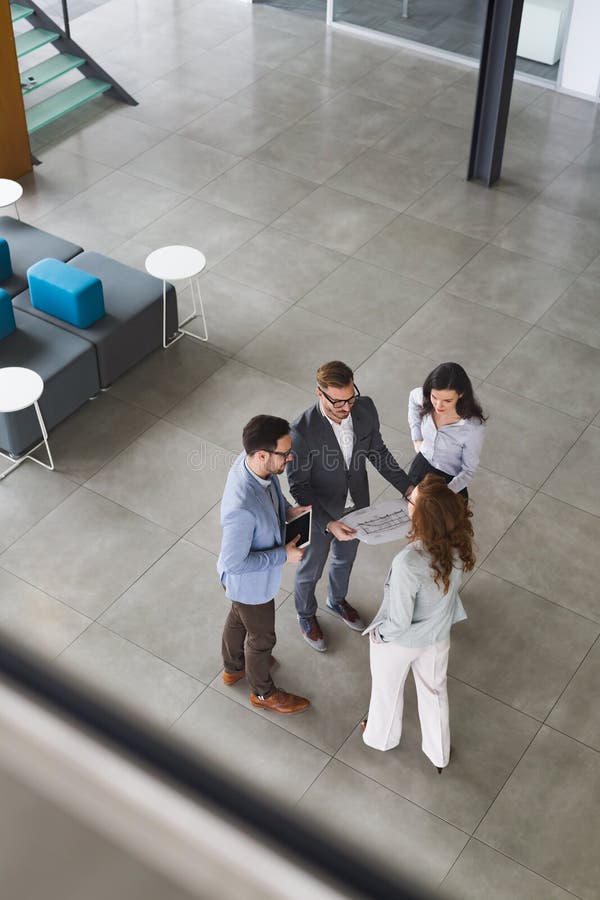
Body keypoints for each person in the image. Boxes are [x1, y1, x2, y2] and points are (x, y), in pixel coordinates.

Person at [287, 360, 412, 652]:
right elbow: (298, 487)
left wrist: (408, 488)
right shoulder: (300, 432)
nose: (346, 407)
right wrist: (328, 523)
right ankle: (305, 614)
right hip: (317, 515)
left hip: (357, 506)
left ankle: (336, 600)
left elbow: (378, 453)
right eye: (338, 402)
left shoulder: (365, 409)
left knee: (345, 559)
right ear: (320, 393)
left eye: (350, 398)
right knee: (310, 569)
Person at [362, 474, 475, 771]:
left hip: (401, 642)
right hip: (438, 636)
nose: (408, 503)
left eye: (412, 502)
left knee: (387, 690)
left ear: (424, 517)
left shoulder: (408, 562)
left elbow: (398, 622)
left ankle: (381, 738)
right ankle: (439, 755)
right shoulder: (458, 545)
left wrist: (378, 635)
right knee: (435, 693)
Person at [217, 414, 311, 714]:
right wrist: (284, 555)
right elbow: (235, 562)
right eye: (284, 454)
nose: (290, 458)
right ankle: (263, 693)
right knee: (262, 638)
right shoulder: (241, 509)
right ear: (261, 455)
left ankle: (233, 668)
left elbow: (271, 492)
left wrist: (287, 511)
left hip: (243, 589)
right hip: (250, 585)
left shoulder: (254, 465)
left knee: (238, 617)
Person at [407, 362, 486, 499]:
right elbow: (413, 397)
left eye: (447, 400)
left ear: (461, 394)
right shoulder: (425, 398)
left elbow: (468, 471)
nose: (438, 405)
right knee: (409, 510)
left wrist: (444, 494)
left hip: (448, 482)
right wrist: (417, 438)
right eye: (434, 397)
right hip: (421, 467)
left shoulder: (472, 428)